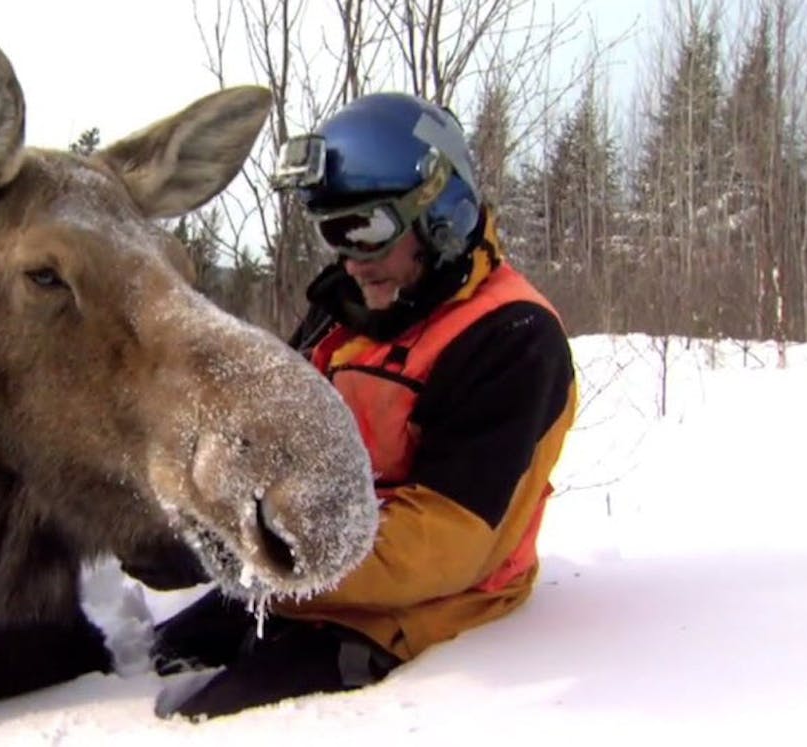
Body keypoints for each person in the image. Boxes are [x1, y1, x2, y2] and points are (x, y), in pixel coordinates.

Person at [150, 92, 578, 720]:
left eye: (366, 229)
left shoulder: (512, 339)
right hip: (309, 566)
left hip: (422, 601)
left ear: (441, 215)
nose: (351, 260)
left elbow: (448, 542)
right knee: (154, 655)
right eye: (332, 231)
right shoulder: (344, 313)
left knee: (206, 720)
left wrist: (263, 561)